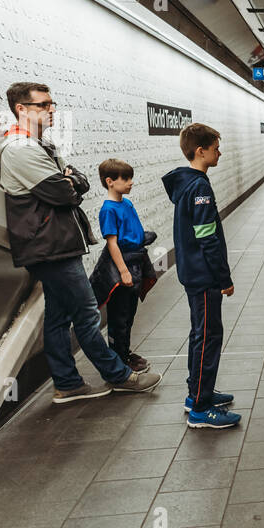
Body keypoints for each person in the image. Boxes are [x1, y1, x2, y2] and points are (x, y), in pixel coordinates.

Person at [0, 82, 161, 403]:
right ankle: (119, 375)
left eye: (51, 103)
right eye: (43, 105)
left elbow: (76, 181)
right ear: (22, 109)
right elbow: (65, 192)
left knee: (59, 316)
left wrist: (72, 179)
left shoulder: (39, 144)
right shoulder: (20, 149)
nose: (51, 109)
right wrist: (71, 180)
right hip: (50, 247)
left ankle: (68, 384)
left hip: (54, 244)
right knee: (87, 312)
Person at [162, 123, 241, 429]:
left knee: (201, 334)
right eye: (215, 147)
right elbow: (207, 237)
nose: (219, 152)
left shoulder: (187, 183)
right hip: (203, 275)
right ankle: (200, 407)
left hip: (192, 271)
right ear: (201, 151)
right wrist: (224, 277)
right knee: (208, 337)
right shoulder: (199, 188)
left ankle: (197, 392)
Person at [88, 158, 158, 374]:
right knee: (119, 316)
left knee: (129, 314)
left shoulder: (126, 204)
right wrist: (123, 272)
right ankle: (118, 357)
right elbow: (112, 244)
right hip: (123, 265)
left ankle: (125, 351)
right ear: (110, 181)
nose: (131, 183)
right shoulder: (108, 210)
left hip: (135, 261)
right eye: (125, 179)